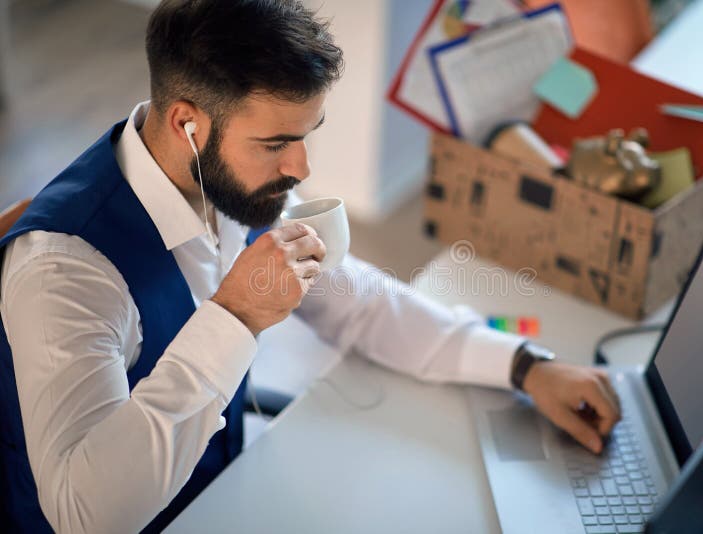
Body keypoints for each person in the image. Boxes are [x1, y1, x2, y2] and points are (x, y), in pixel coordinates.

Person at [0, 1, 621, 532]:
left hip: (223, 489)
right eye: (275, 144)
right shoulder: (65, 272)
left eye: (308, 133)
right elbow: (86, 516)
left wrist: (522, 365)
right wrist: (236, 318)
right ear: (187, 122)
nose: (301, 168)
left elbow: (360, 302)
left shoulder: (230, 180)